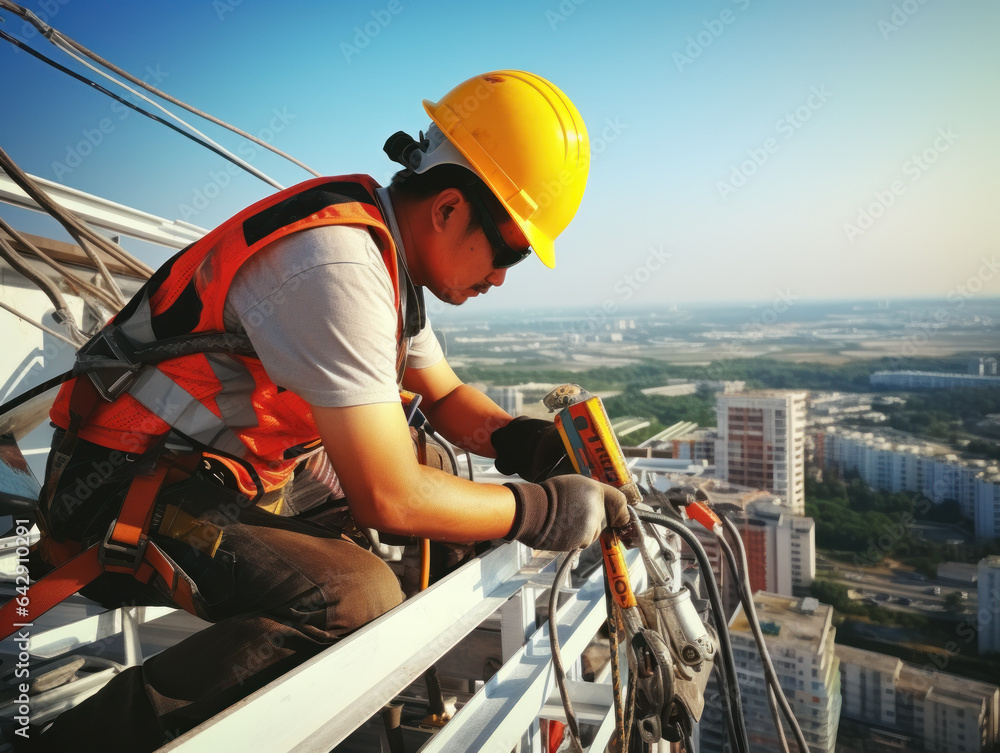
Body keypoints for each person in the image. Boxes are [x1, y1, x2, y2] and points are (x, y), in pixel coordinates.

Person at [25, 69, 629, 751]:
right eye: (509, 251)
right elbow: (388, 496)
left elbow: (446, 397)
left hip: (214, 471)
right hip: (115, 492)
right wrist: (544, 509)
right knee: (354, 596)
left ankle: (382, 695)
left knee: (434, 465)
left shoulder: (384, 250)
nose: (500, 277)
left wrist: (527, 441)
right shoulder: (337, 267)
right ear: (449, 209)